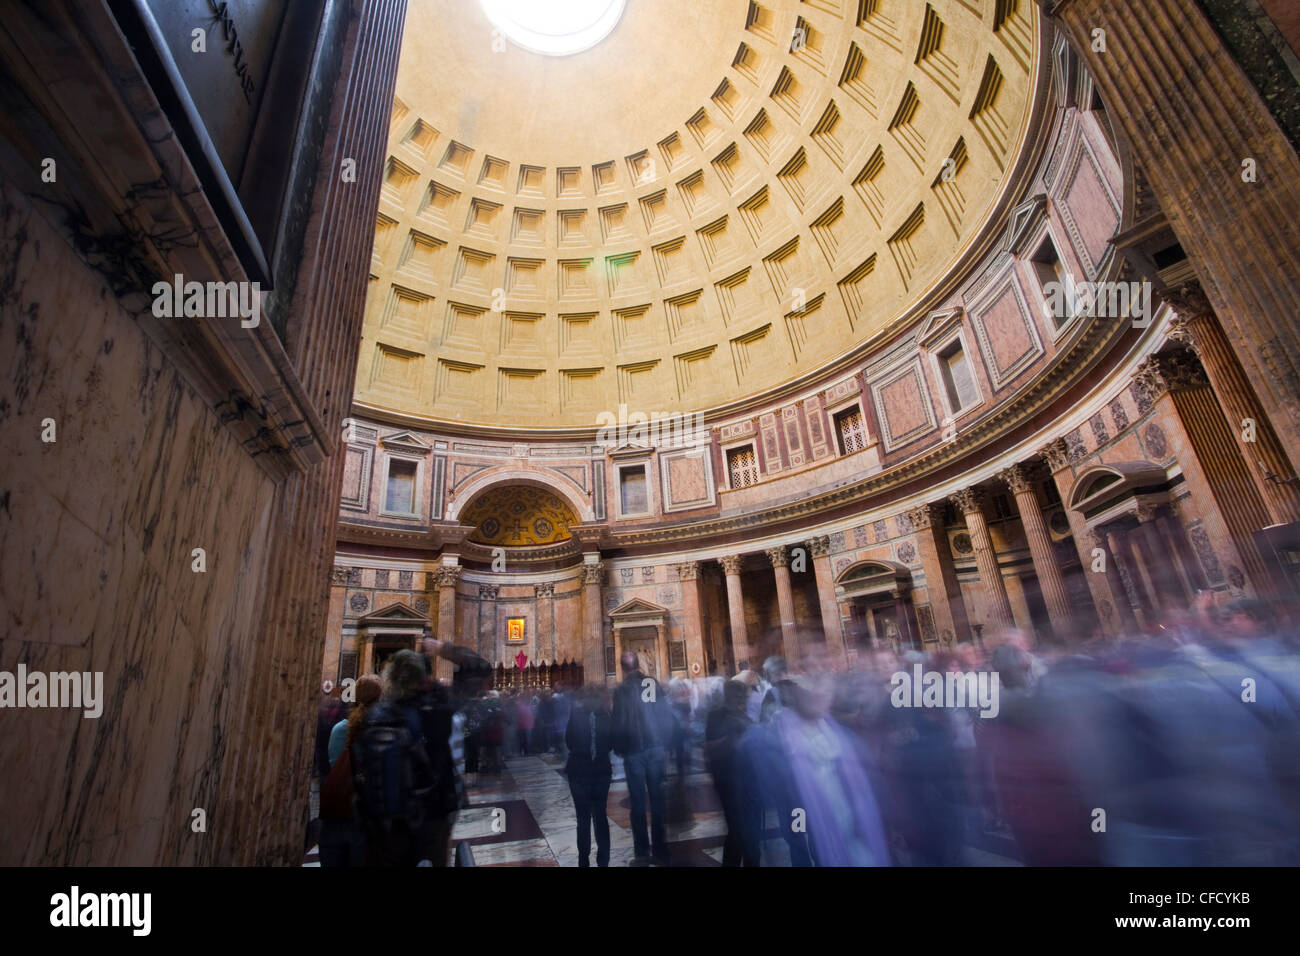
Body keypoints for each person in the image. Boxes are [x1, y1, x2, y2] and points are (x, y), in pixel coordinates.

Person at [612, 651, 675, 866]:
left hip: (634, 751)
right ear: (639, 665)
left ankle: (641, 853)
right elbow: (664, 713)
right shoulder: (652, 682)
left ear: (622, 667)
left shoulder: (621, 690)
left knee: (638, 804)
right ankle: (661, 852)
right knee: (658, 802)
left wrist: (619, 747)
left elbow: (618, 721)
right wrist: (666, 742)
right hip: (655, 747)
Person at [319, 674, 383, 867]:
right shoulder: (382, 729)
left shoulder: (340, 729)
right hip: (368, 813)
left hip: (338, 809)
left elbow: (333, 766)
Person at [705, 678, 759, 866]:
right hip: (727, 779)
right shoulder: (716, 715)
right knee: (737, 829)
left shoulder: (747, 715)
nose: (740, 701)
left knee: (752, 830)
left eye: (742, 697)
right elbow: (709, 747)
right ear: (728, 697)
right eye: (737, 697)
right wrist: (731, 738)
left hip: (749, 778)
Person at [565, 687, 614, 866]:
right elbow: (610, 744)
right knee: (600, 815)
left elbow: (569, 740)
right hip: (600, 770)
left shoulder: (576, 714)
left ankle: (583, 860)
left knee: (583, 818)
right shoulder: (607, 717)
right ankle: (604, 860)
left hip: (579, 770)